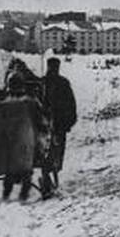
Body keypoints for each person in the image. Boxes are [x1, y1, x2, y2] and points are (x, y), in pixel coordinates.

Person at [40, 57, 77, 195]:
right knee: (56, 151)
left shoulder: (42, 82)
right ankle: (49, 173)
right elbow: (71, 104)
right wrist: (69, 121)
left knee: (46, 151)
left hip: (46, 124)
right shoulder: (62, 83)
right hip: (56, 125)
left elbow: (70, 105)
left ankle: (47, 173)